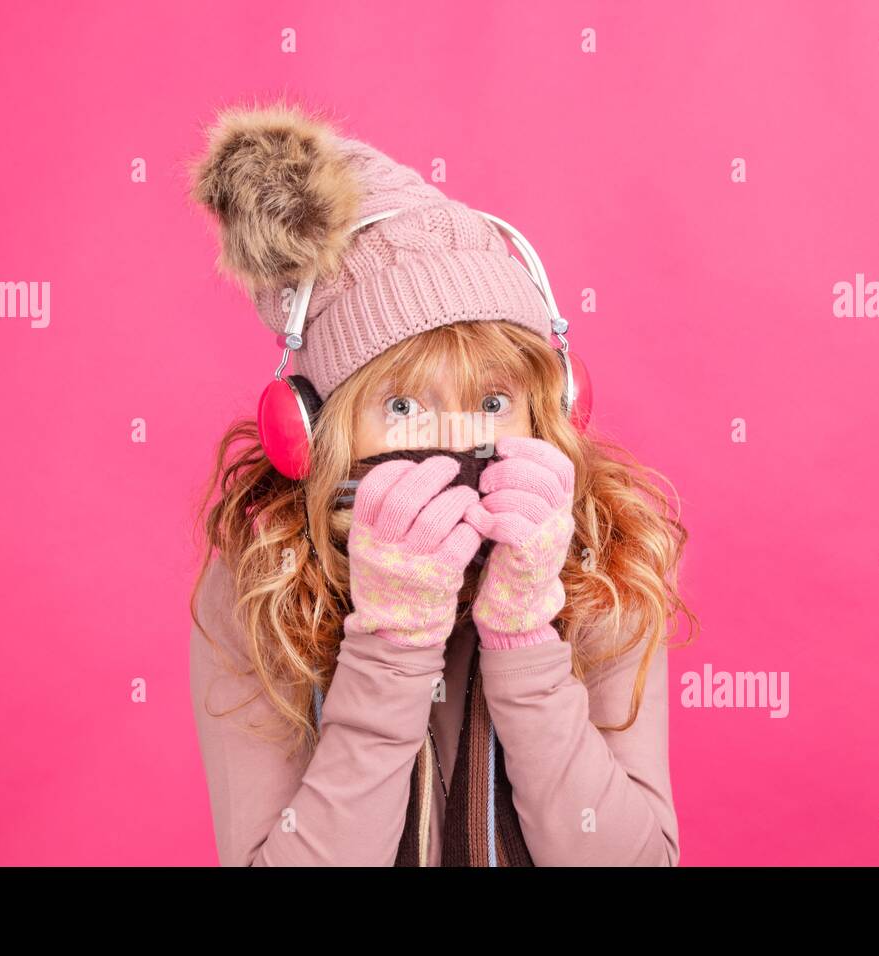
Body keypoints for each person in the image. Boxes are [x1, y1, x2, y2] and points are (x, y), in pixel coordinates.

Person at [186, 97, 697, 866]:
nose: (458, 443)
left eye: (493, 402)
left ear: (552, 409)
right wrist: (391, 648)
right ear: (314, 430)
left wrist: (526, 641)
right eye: (401, 406)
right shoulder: (259, 588)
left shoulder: (606, 562)